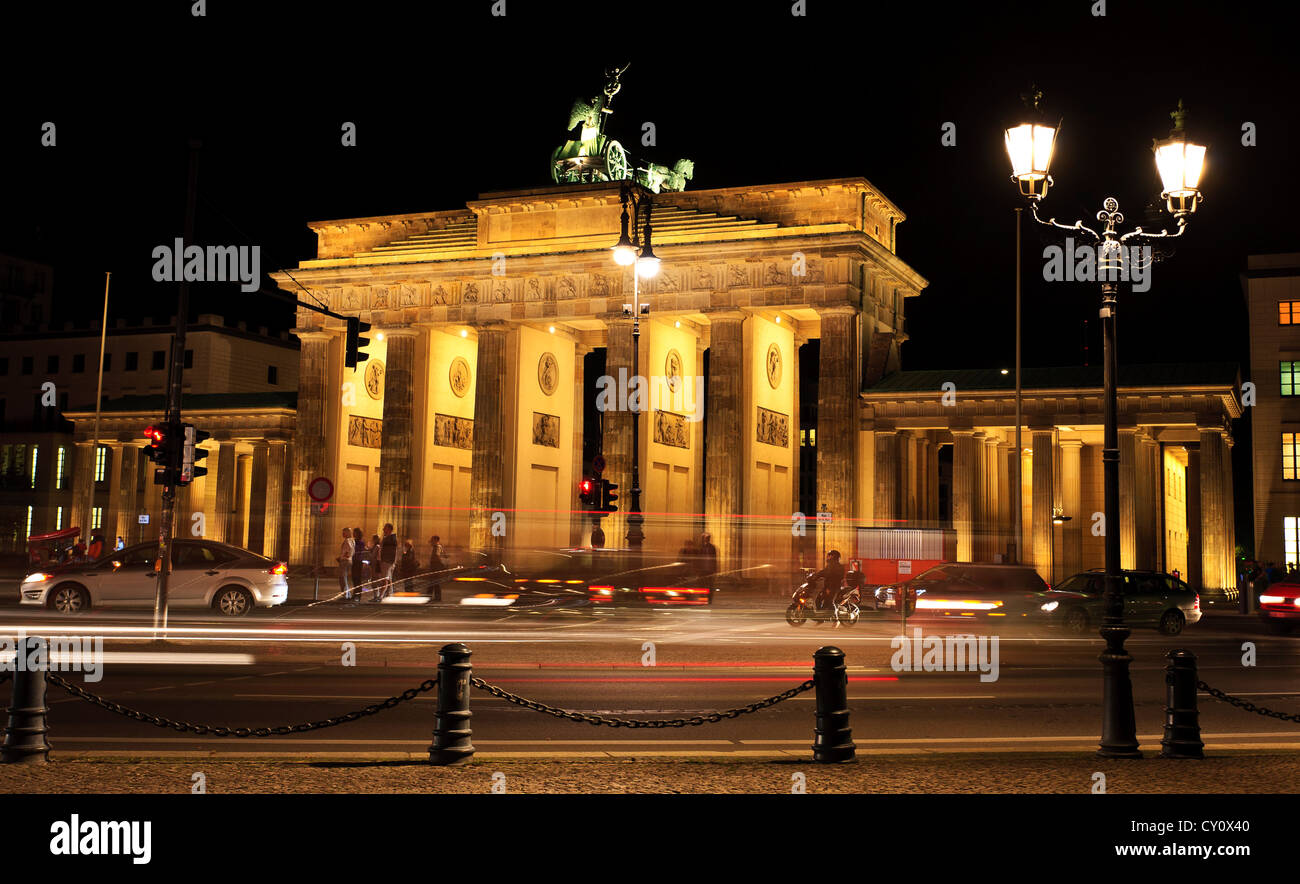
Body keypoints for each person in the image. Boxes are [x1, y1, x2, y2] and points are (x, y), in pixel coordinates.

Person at [811, 550, 846, 621]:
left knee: (830, 602)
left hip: (834, 587)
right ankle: (821, 618)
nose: (828, 557)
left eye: (829, 555)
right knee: (818, 600)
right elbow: (823, 572)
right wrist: (814, 576)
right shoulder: (830, 565)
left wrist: (829, 588)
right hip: (827, 587)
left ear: (834, 556)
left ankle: (836, 620)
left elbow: (830, 575)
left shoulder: (837, 567)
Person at [379, 523, 398, 599]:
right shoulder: (388, 538)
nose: (383, 529)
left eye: (385, 528)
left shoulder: (390, 539)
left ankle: (381, 596)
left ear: (390, 529)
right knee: (389, 578)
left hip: (387, 561)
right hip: (388, 561)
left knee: (385, 579)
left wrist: (387, 560)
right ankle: (390, 594)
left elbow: (391, 551)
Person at [337, 528, 355, 601]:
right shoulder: (352, 540)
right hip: (348, 560)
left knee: (342, 578)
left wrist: (344, 556)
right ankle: (346, 594)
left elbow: (349, 550)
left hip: (345, 561)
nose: (342, 534)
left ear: (348, 533)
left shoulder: (348, 540)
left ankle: (345, 594)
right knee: (344, 578)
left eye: (344, 533)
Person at [427, 536, 444, 601]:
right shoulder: (435, 547)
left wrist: (439, 565)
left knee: (434, 582)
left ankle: (436, 597)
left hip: (436, 567)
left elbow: (437, 556)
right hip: (434, 567)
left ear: (436, 540)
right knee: (433, 582)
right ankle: (431, 596)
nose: (431, 542)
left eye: (432, 540)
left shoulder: (438, 547)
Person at [350, 527, 366, 598]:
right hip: (355, 561)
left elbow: (358, 552)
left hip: (358, 562)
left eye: (354, 532)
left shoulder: (360, 542)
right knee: (354, 578)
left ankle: (358, 594)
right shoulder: (355, 541)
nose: (353, 534)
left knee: (357, 578)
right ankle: (356, 593)